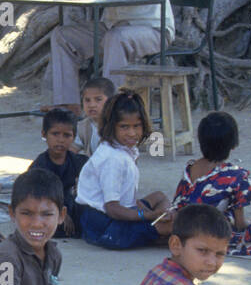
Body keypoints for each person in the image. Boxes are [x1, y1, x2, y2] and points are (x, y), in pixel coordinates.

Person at [172, 111, 251, 256]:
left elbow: (178, 204)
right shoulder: (238, 176)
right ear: (233, 144)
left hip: (183, 232)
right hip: (212, 235)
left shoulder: (190, 168)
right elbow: (240, 226)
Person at [75, 89, 172, 248]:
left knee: (159, 197)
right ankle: (158, 233)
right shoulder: (113, 159)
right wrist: (147, 216)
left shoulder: (125, 150)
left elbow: (131, 198)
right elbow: (112, 208)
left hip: (115, 215)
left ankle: (155, 231)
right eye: (124, 127)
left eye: (137, 126)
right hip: (104, 226)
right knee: (173, 225)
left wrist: (151, 214)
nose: (132, 133)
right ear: (111, 127)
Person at [30, 107, 86, 238]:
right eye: (55, 134)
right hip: (47, 207)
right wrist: (60, 212)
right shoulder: (40, 166)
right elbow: (37, 197)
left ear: (73, 137)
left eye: (66, 135)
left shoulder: (78, 161)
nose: (61, 140)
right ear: (44, 134)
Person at [74, 77, 113, 157]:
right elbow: (74, 148)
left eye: (98, 100)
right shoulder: (82, 126)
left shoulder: (118, 125)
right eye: (87, 100)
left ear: (111, 101)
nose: (92, 105)